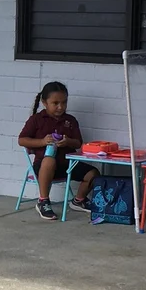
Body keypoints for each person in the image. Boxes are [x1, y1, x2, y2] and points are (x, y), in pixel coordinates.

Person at [18, 81, 99, 221]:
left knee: (94, 173)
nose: (60, 107)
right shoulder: (36, 119)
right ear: (44, 102)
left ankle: (78, 200)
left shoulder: (70, 120)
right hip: (43, 167)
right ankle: (43, 201)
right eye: (55, 103)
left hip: (67, 164)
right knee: (49, 160)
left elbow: (78, 143)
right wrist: (42, 142)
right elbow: (22, 140)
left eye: (64, 102)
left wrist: (68, 141)